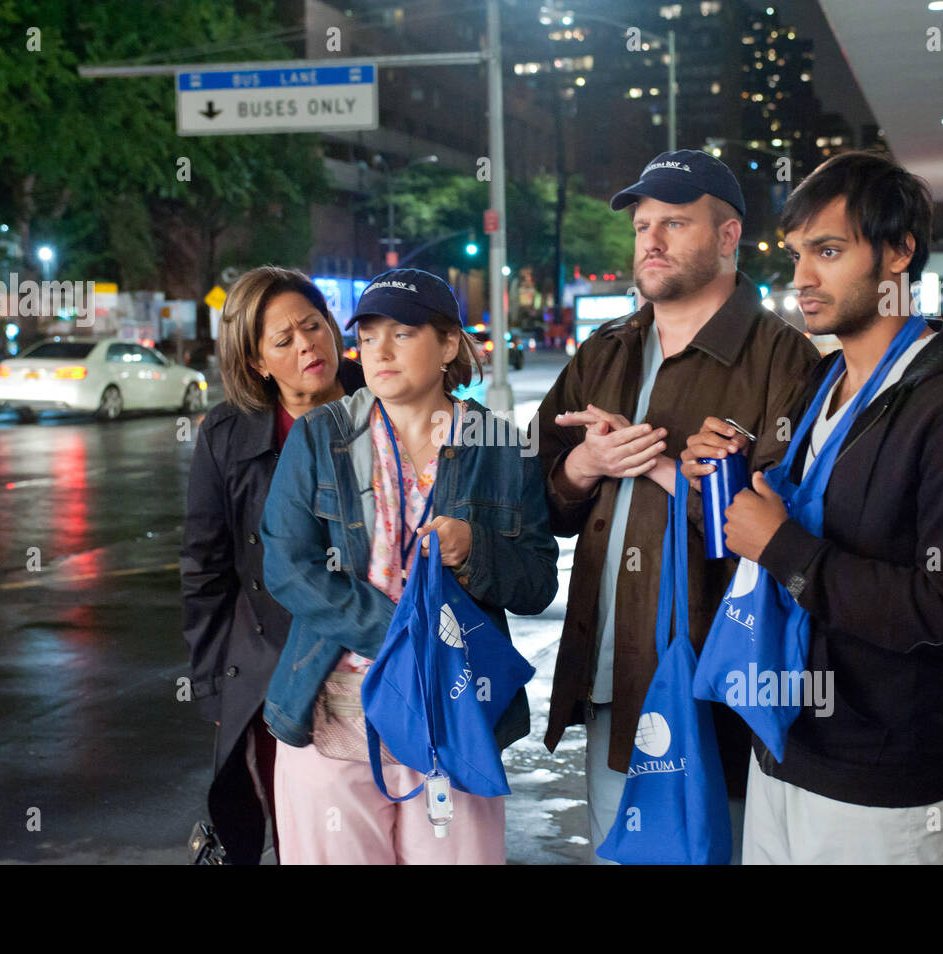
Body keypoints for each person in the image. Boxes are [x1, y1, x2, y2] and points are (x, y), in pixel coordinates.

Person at [691, 150, 943, 864]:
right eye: (796, 254)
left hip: (881, 780)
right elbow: (795, 518)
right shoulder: (823, 381)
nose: (803, 278)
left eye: (829, 250)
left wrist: (781, 545)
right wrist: (726, 480)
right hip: (781, 744)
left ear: (900, 252)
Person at [533, 150, 820, 863]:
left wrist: (666, 470)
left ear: (728, 237)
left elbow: (795, 531)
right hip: (612, 672)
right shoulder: (603, 351)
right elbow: (532, 497)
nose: (651, 240)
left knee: (713, 848)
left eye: (675, 223)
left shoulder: (786, 361)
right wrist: (581, 465)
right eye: (642, 226)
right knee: (619, 850)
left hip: (724, 677)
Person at [260, 268, 559, 865]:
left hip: (454, 713)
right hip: (332, 716)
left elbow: (537, 582)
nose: (380, 352)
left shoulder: (499, 445)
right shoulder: (321, 437)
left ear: (448, 344)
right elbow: (287, 567)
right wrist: (402, 634)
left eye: (403, 333)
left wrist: (473, 547)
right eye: (368, 337)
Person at [180, 266, 365, 864]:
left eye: (313, 326)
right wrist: (218, 693)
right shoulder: (226, 436)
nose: (307, 345)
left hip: (380, 662)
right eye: (283, 340)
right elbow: (206, 572)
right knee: (299, 835)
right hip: (279, 677)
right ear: (257, 362)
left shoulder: (389, 401)